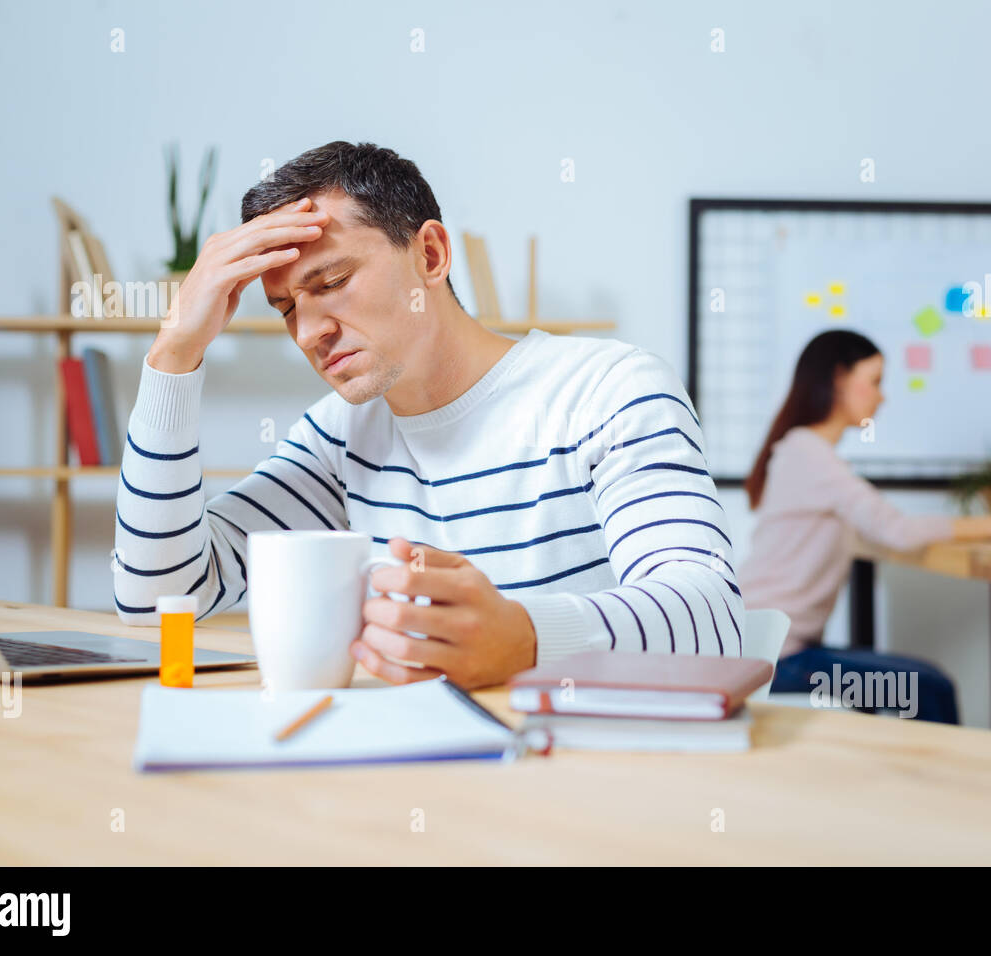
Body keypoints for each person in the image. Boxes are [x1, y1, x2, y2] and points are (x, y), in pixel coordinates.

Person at [112, 141, 743, 689]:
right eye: (285, 308)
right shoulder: (338, 438)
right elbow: (159, 600)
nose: (307, 333)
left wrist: (525, 639)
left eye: (331, 282)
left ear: (432, 256)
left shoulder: (607, 391)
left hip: (584, 783)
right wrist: (175, 353)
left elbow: (712, 618)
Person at [741, 330, 991, 723]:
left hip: (778, 651)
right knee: (927, 688)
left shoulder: (805, 453)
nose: (882, 396)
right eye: (874, 381)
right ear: (838, 379)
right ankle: (935, 786)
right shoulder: (808, 454)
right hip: (776, 662)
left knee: (918, 684)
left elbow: (880, 530)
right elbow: (897, 531)